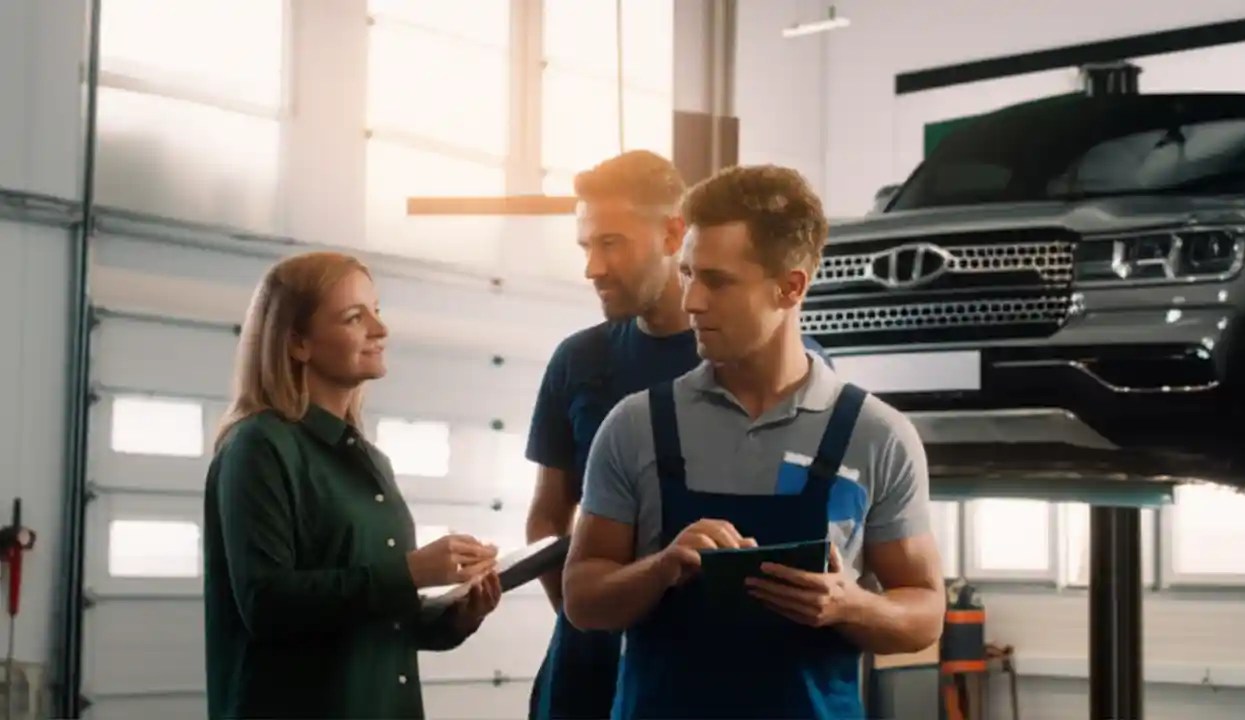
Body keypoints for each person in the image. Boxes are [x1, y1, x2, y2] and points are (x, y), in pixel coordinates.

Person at [561, 165, 946, 719]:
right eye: (688, 273)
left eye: (716, 281)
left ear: (790, 287)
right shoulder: (635, 426)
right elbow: (582, 598)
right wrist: (663, 567)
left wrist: (848, 604)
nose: (692, 301)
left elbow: (926, 612)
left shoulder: (877, 435)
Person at [523, 152, 831, 720]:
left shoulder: (801, 374)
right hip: (585, 676)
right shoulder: (578, 360)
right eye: (586, 246)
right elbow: (547, 519)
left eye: (610, 243)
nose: (593, 267)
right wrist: (588, 619)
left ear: (673, 234)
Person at [203, 251, 503, 719]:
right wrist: (412, 572)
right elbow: (267, 605)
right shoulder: (258, 446)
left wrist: (454, 616)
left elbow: (374, 613)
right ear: (298, 342)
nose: (380, 331)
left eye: (377, 312)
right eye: (353, 318)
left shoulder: (368, 459)